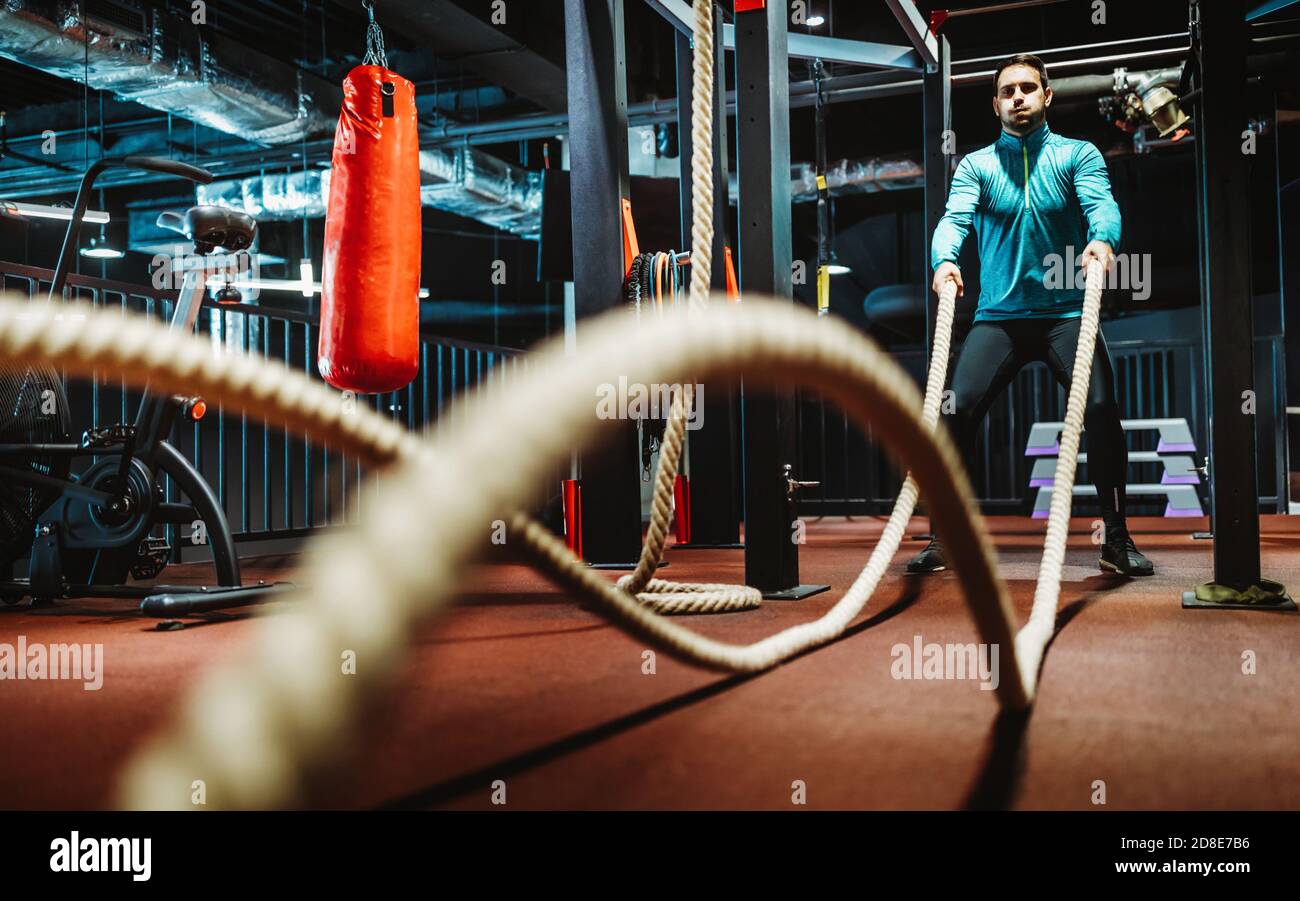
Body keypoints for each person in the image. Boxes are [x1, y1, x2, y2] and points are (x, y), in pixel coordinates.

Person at [908, 53, 1153, 577]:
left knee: (1104, 411)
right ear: (996, 103)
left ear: (1047, 96)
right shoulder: (977, 166)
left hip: (1065, 314)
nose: (1017, 97)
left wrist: (1102, 241)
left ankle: (1116, 538)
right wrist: (945, 260)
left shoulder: (1076, 155)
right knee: (955, 411)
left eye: (1027, 88)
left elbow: (1101, 205)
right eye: (1007, 91)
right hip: (998, 318)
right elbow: (954, 220)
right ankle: (946, 535)